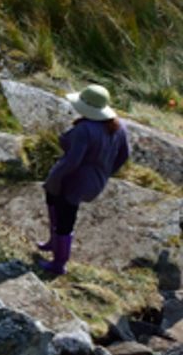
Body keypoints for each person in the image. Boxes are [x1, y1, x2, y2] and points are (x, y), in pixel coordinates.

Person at [37, 84, 132, 276]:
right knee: (53, 199)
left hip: (74, 180)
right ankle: (54, 242)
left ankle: (59, 263)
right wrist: (106, 172)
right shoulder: (119, 126)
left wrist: (56, 177)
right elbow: (125, 154)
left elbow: (72, 161)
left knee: (65, 216)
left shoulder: (84, 129)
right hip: (95, 181)